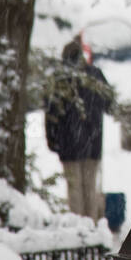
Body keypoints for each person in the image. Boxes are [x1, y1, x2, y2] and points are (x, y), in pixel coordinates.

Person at [44, 38, 112, 222]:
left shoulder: (59, 79)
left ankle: (79, 228)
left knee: (74, 189)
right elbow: (109, 102)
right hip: (93, 142)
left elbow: (51, 113)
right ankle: (93, 226)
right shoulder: (95, 75)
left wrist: (52, 140)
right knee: (90, 188)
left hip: (69, 145)